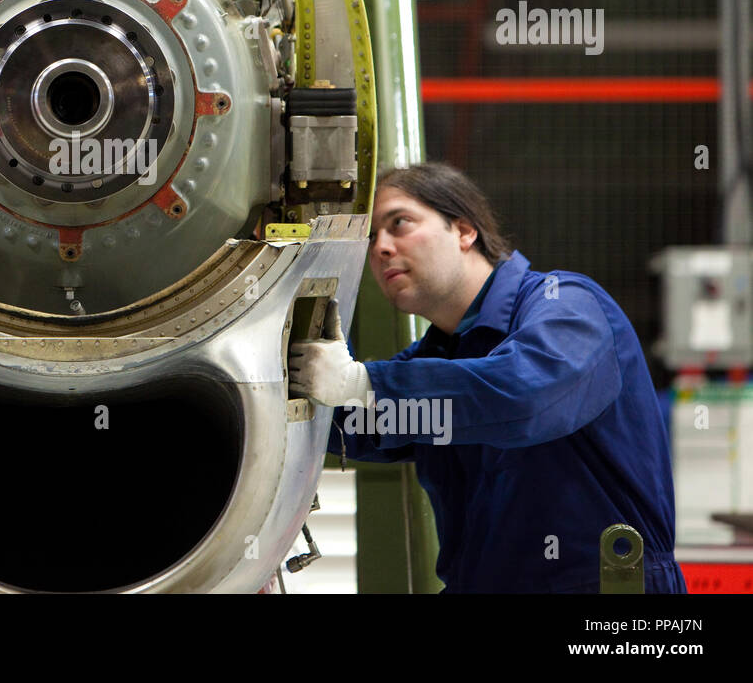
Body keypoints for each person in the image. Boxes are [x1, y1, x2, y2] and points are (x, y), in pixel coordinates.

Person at [289, 161, 686, 593]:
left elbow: (524, 395)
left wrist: (363, 384)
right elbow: (363, 425)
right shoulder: (441, 357)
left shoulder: (568, 307)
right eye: (370, 238)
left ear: (464, 231)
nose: (381, 247)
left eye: (399, 223)